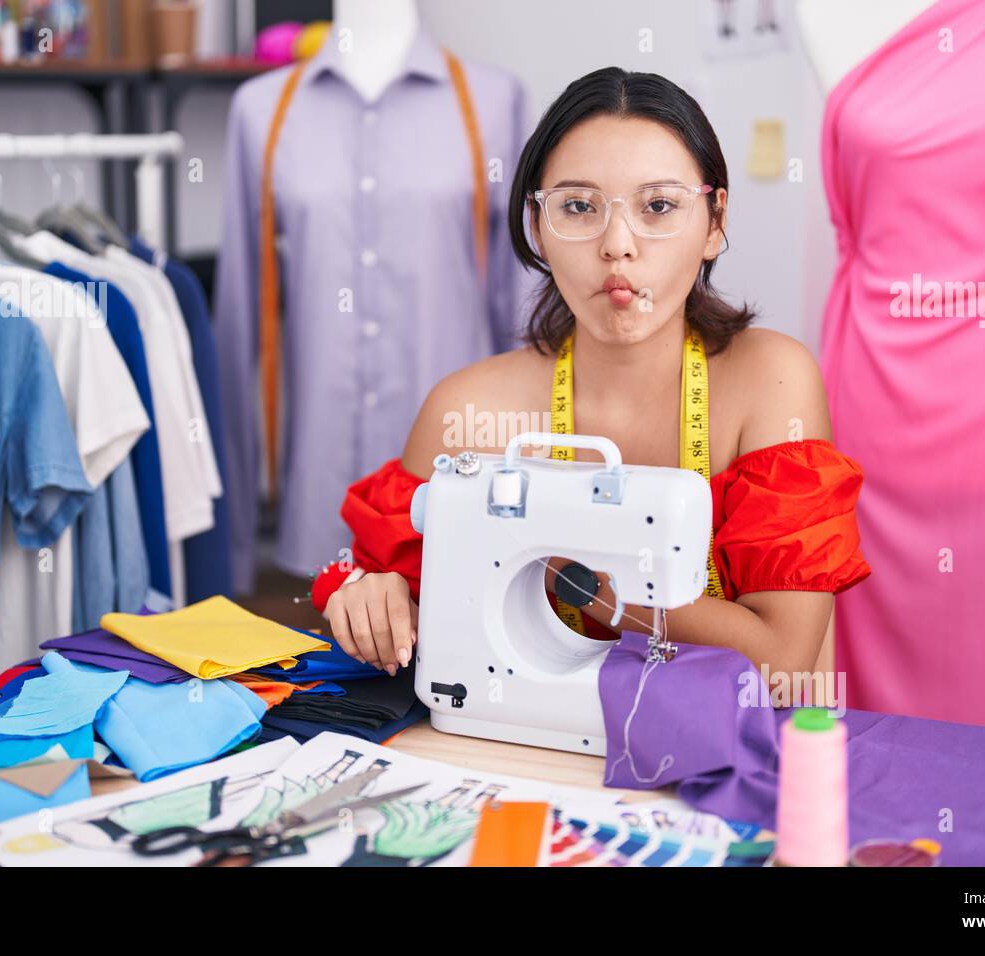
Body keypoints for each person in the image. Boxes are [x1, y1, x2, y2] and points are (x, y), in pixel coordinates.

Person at [310, 66, 871, 682]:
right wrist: (373, 597)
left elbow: (782, 658)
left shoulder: (772, 382)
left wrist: (571, 581)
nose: (618, 244)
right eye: (578, 207)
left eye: (658, 205)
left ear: (715, 224)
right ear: (536, 229)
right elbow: (400, 605)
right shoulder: (465, 412)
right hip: (525, 757)